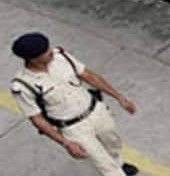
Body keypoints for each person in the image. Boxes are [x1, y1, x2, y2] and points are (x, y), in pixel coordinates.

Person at [9, 33, 139, 176]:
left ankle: (119, 164)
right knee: (104, 164)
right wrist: (66, 143)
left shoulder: (61, 57)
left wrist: (119, 97)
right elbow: (37, 119)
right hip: (74, 128)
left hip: (96, 111)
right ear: (33, 59)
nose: (50, 51)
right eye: (45, 51)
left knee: (113, 143)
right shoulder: (23, 85)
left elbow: (88, 76)